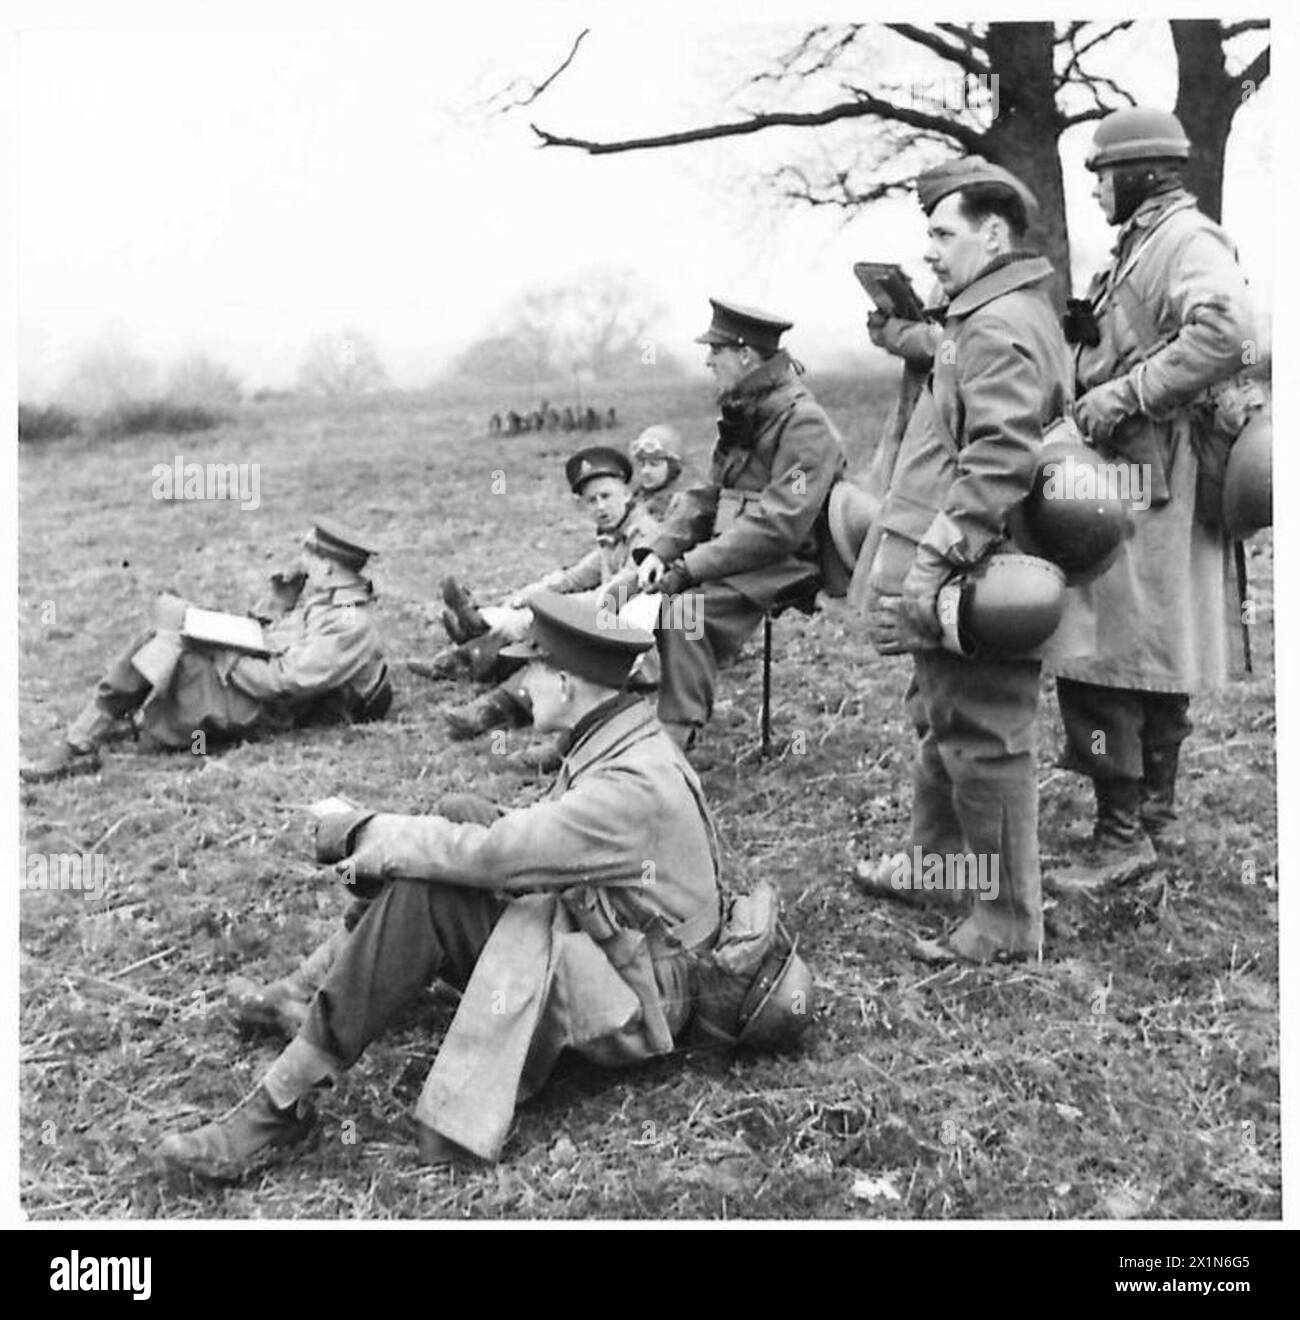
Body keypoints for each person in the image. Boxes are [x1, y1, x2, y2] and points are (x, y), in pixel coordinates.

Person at [155, 592, 724, 1177]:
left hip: (639, 998)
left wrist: (366, 832)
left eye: (530, 670)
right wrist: (395, 838)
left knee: (427, 895)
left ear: (566, 683)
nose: (523, 686)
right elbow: (530, 844)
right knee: (459, 813)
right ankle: (309, 986)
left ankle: (282, 1104)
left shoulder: (628, 785)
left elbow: (495, 857)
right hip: (623, 943)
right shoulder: (622, 738)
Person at [848, 158, 1072, 964]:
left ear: (994, 233)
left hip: (977, 568)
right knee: (947, 718)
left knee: (984, 735)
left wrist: (936, 564)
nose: (930, 252)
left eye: (944, 234)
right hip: (970, 561)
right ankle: (941, 865)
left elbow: (1001, 455)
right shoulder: (994, 313)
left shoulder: (995, 325)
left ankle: (1007, 922)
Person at [1047, 108, 1256, 887]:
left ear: (1140, 173)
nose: (1096, 188)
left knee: (1099, 654)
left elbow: (1228, 333)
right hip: (1141, 474)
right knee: (1148, 649)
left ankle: (1122, 837)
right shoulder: (1148, 242)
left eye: (1104, 173)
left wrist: (1125, 393)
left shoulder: (1184, 240)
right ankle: (1151, 819)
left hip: (1147, 472)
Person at [21, 520, 391, 783]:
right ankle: (97, 731)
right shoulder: (330, 602)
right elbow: (272, 641)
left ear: (328, 567)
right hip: (259, 688)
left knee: (172, 648)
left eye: (309, 557)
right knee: (167, 627)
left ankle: (84, 741)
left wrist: (221, 653)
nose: (303, 564)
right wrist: (276, 602)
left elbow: (283, 683)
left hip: (271, 708)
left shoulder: (347, 622)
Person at [636, 299, 847, 748]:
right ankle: (594, 724)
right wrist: (660, 550)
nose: (708, 361)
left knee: (684, 613)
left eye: (717, 351)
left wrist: (691, 567)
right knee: (622, 594)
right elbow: (708, 494)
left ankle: (676, 736)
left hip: (783, 561)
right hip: (733, 550)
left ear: (746, 355)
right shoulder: (747, 409)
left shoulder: (803, 423)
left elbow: (780, 524)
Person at [419, 446, 661, 743]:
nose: (600, 507)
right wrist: (528, 594)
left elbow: (609, 597)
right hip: (611, 631)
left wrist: (542, 609)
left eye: (606, 496)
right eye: (591, 500)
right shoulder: (613, 532)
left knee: (553, 642)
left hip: (639, 649)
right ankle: (463, 657)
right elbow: (576, 575)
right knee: (541, 627)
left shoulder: (645, 536)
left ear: (626, 493)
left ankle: (492, 707)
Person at [630, 424, 695, 520]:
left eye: (654, 464)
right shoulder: (638, 496)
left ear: (674, 466)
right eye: (642, 465)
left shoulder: (689, 502)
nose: (645, 471)